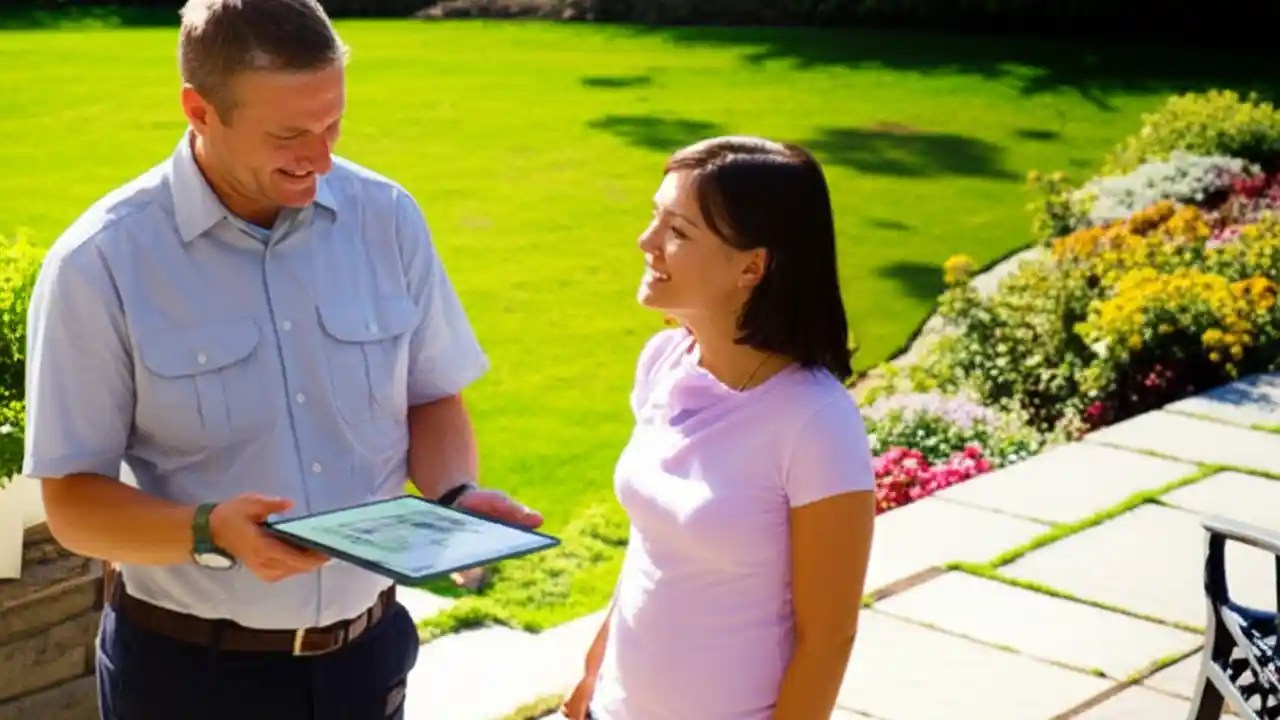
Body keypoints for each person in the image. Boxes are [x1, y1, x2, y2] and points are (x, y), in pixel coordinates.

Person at [21, 1, 540, 718]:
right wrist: (207, 533)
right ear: (199, 111)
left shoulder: (386, 216)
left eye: (333, 125)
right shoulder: (99, 262)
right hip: (188, 680)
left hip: (369, 659)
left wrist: (454, 499)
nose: (322, 159)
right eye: (290, 134)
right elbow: (73, 504)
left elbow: (429, 394)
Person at [561, 137, 877, 720]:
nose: (647, 241)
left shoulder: (816, 422)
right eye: (656, 217)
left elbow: (828, 639)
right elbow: (652, 549)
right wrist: (594, 668)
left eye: (678, 231)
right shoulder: (663, 363)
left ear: (752, 266)